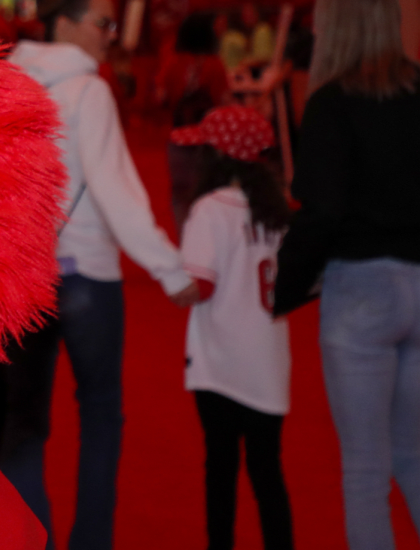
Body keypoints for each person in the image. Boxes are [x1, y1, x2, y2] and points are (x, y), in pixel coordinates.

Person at [0, 0, 199, 550]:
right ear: (68, 24)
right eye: (103, 23)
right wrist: (170, 271)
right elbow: (115, 189)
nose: (111, 36)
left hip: (24, 275)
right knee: (102, 413)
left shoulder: (4, 81)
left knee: (24, 427)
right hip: (89, 276)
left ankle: (31, 539)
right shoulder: (89, 92)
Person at [274, 0, 420, 550]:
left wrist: (284, 286)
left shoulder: (332, 105)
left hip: (361, 291)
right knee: (413, 454)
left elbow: (321, 212)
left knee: (364, 471)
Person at [172, 106, 293, 550]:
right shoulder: (276, 211)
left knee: (220, 467)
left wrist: (167, 276)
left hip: (221, 362)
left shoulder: (210, 209)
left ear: (216, 157)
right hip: (268, 360)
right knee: (267, 471)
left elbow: (200, 285)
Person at [160, 12, 231, 227]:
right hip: (207, 142)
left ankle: (186, 240)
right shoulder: (214, 64)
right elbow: (223, 101)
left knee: (180, 195)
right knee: (208, 195)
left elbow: (161, 96)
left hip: (177, 139)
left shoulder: (172, 62)